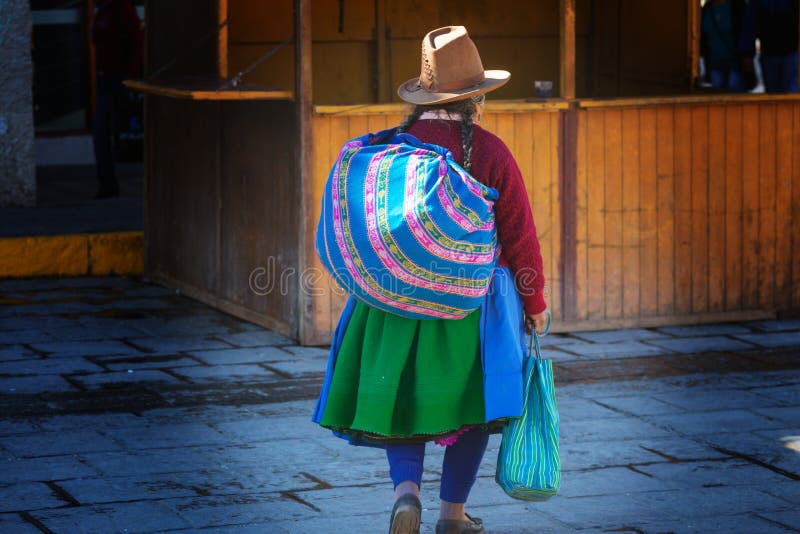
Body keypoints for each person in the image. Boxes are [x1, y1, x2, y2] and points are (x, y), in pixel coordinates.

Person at [312, 26, 550, 534]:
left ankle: (405, 496)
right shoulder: (489, 153)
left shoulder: (392, 147)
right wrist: (535, 300)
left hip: (391, 303)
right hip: (472, 307)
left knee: (404, 399)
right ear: (475, 99)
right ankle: (453, 515)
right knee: (475, 406)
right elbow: (520, 235)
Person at [91, 0, 143, 199]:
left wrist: (131, 76)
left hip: (118, 77)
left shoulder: (120, 9)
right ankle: (107, 184)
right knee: (103, 132)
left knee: (104, 131)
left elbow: (136, 42)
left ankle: (108, 184)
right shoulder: (103, 11)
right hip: (106, 77)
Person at [739, 0, 799, 93]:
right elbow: (750, 25)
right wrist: (747, 53)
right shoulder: (758, 3)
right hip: (771, 53)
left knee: (790, 92)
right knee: (775, 94)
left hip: (790, 52)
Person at [701, 0, 748, 91]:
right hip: (714, 61)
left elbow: (746, 33)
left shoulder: (737, 6)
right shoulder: (707, 8)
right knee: (717, 96)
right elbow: (702, 36)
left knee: (734, 94)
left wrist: (747, 56)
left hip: (736, 61)